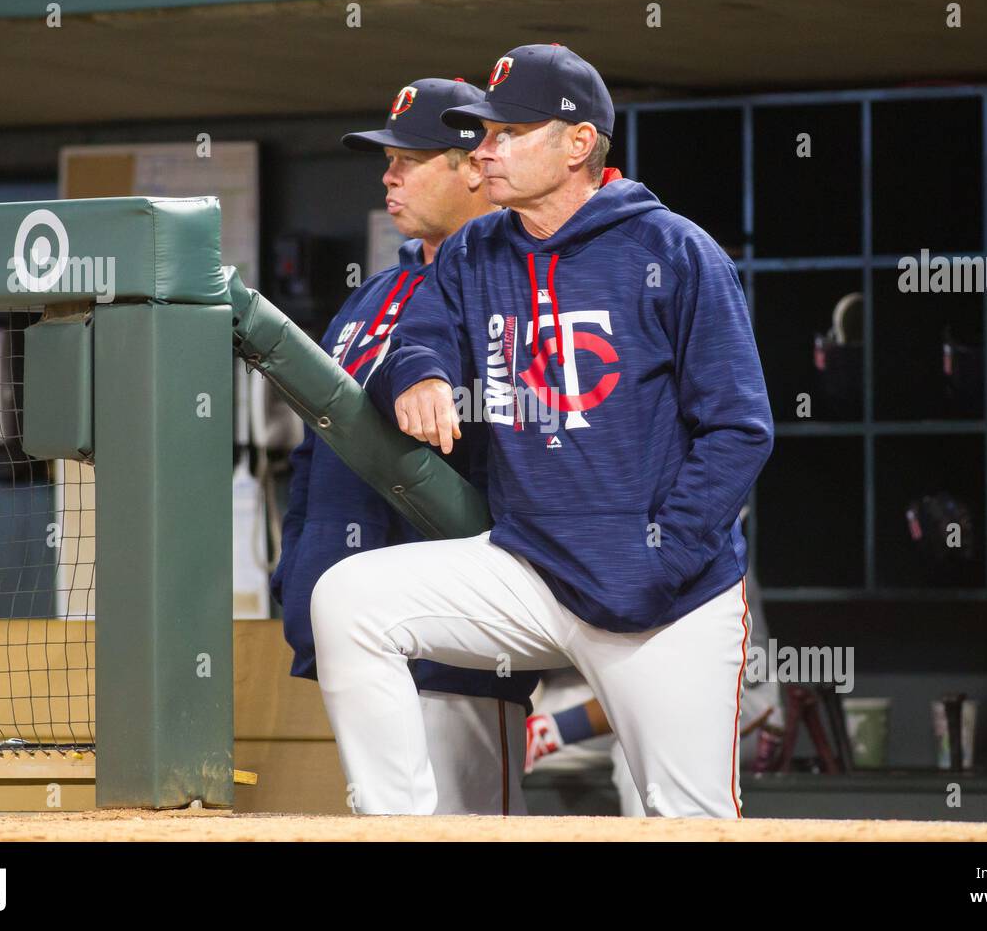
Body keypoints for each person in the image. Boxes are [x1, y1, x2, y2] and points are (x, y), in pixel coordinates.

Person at [311, 44, 773, 817]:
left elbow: (740, 430)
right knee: (350, 601)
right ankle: (398, 834)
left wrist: (663, 556)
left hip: (666, 599)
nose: (483, 149)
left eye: (507, 134)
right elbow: (423, 331)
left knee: (689, 822)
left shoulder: (675, 251)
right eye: (480, 135)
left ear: (578, 144)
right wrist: (421, 372)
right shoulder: (475, 248)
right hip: (529, 569)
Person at [271, 77, 539, 815]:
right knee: (383, 825)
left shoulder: (515, 294)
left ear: (472, 165)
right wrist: (299, 574)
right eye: (386, 158)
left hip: (457, 637)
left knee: (463, 830)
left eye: (410, 158)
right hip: (354, 625)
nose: (388, 175)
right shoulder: (370, 297)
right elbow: (311, 453)